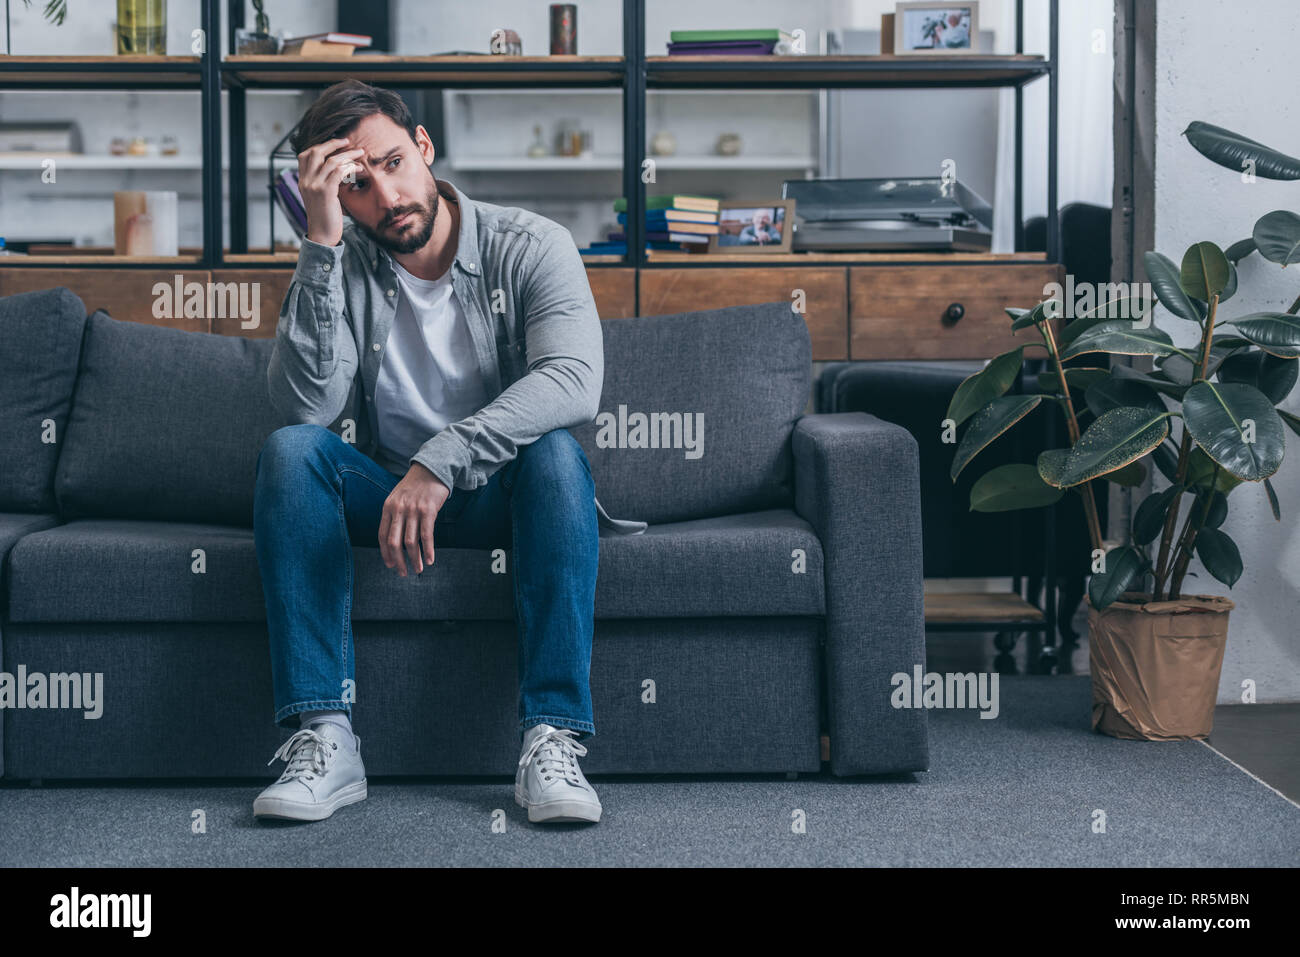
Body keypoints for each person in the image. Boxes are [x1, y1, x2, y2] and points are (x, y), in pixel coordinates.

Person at [251, 79, 645, 826]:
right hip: (390, 501)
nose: (388, 196)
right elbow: (308, 405)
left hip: (502, 494)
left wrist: (444, 459)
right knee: (291, 451)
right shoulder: (340, 258)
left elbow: (573, 381)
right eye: (358, 186)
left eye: (396, 163)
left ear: (425, 146)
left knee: (557, 455)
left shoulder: (531, 245)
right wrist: (321, 242)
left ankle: (551, 738)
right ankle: (326, 737)